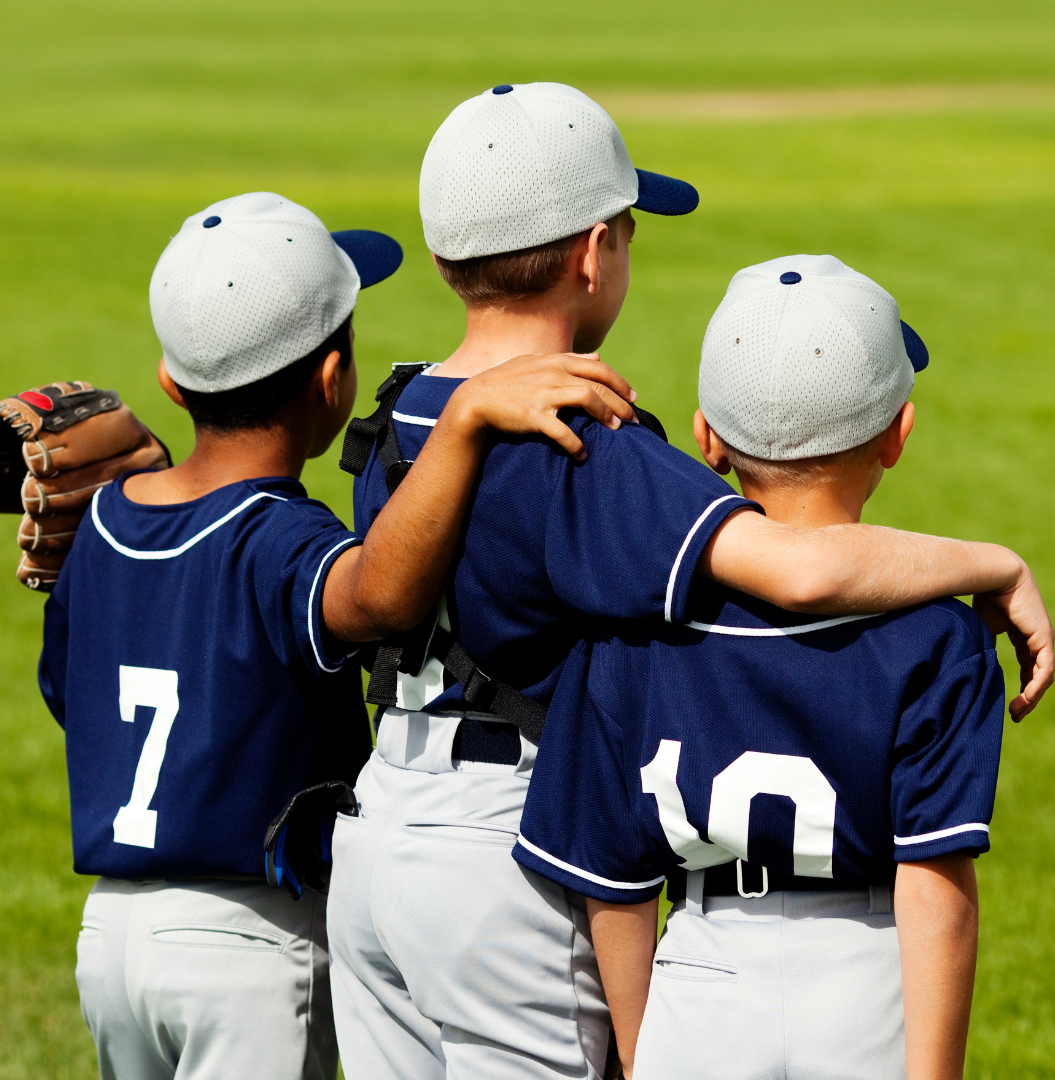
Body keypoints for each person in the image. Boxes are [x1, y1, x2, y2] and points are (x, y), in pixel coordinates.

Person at [328, 84, 1051, 1080]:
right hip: (504, 852)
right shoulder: (590, 446)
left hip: (376, 837)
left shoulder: (402, 413)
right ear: (592, 252)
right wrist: (995, 563)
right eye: (625, 233)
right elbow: (796, 568)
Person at [36, 190, 638, 1080]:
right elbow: (378, 598)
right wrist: (465, 420)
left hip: (113, 941)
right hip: (249, 948)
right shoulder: (284, 537)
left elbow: (68, 693)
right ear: (334, 379)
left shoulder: (106, 528)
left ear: (171, 382)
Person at [515, 254, 1006, 1080]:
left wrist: (641, 1054)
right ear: (897, 434)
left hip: (704, 972)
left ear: (706, 439)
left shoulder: (635, 625)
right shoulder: (939, 634)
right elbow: (935, 888)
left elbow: (616, 885)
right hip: (865, 977)